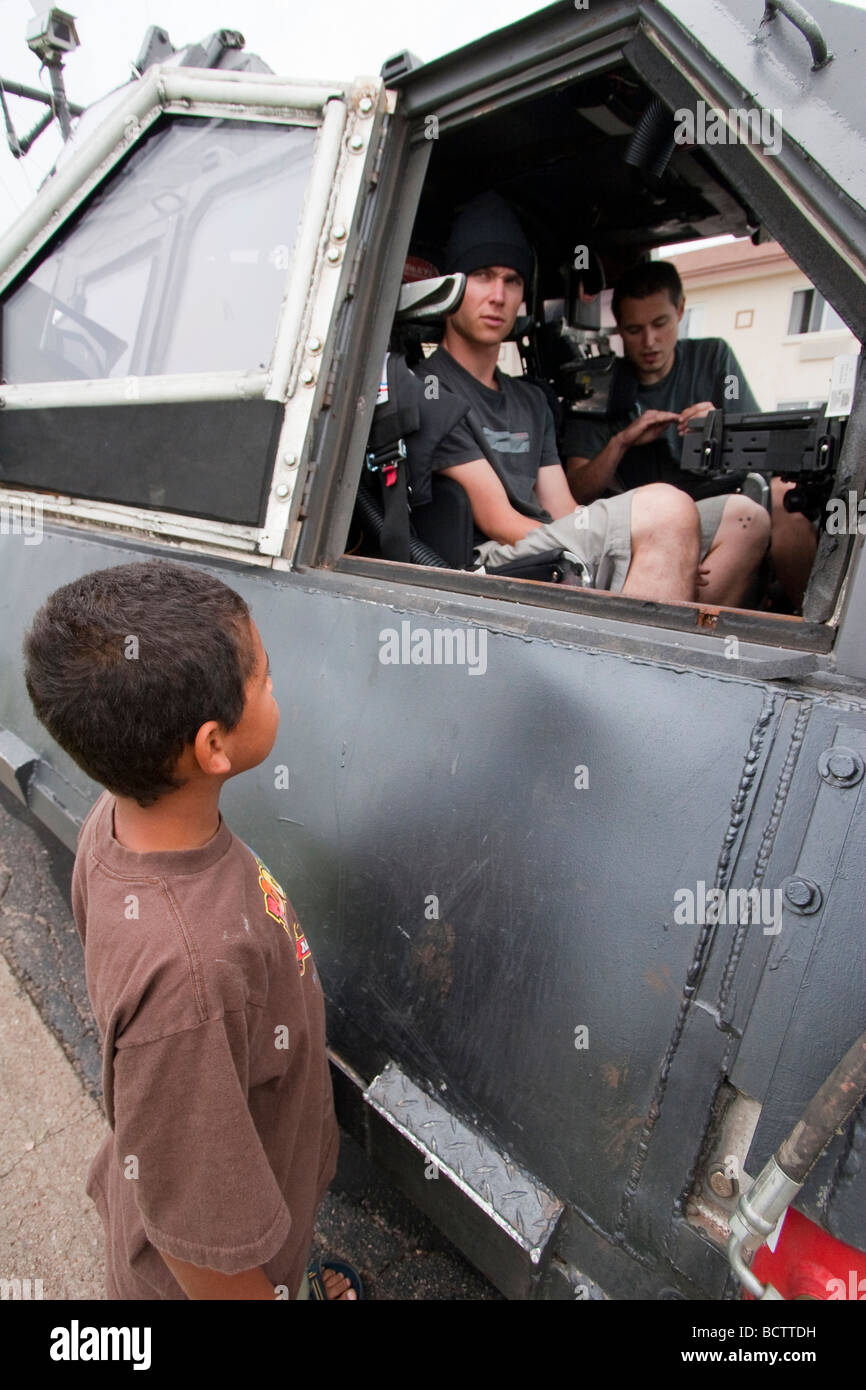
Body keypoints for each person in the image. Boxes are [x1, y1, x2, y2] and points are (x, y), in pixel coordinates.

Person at [23, 560, 358, 1301]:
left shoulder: (115, 821)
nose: (276, 689)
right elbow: (205, 1254)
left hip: (227, 1153)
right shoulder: (189, 981)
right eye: (264, 680)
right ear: (213, 747)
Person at [420, 193, 728, 605]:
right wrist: (612, 544)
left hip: (548, 535)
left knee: (743, 519)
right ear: (453, 286)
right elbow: (498, 519)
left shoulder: (530, 400)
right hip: (493, 557)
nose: (498, 295)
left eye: (512, 280)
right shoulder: (432, 387)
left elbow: (562, 506)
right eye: (482, 275)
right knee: (666, 510)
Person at [563, 260, 814, 609]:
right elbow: (576, 490)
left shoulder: (712, 358)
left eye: (660, 323)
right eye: (634, 330)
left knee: (786, 496)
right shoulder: (599, 386)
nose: (649, 341)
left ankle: (809, 626)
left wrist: (719, 427)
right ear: (618, 328)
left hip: (718, 507)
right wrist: (621, 442)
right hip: (641, 522)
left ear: (681, 310)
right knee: (744, 520)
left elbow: (764, 451)